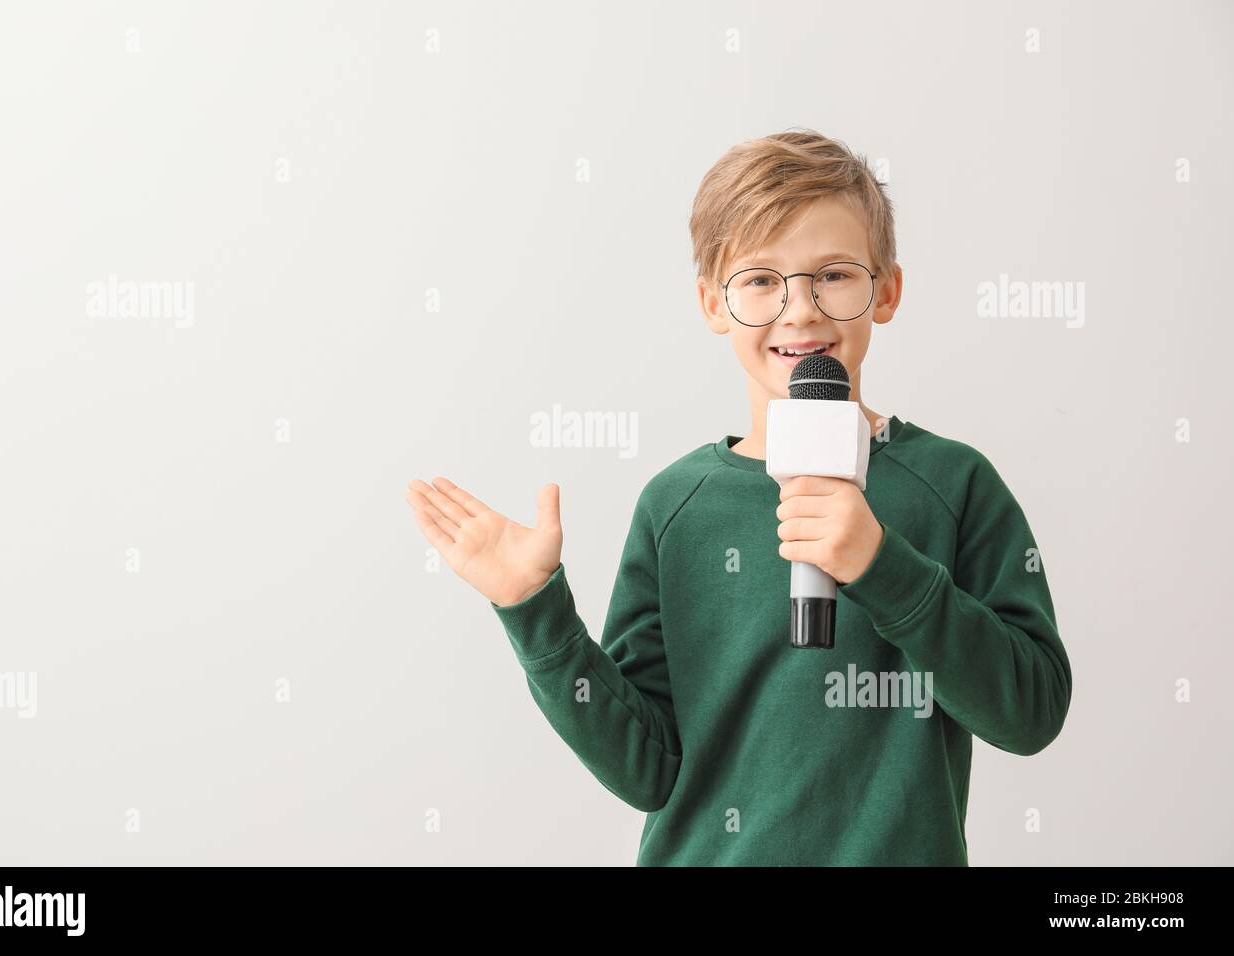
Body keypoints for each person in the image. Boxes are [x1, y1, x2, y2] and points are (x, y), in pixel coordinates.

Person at [405, 129, 1072, 865]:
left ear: (886, 290)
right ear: (712, 304)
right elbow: (647, 767)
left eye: (834, 276)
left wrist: (884, 566)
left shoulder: (954, 485)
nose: (800, 311)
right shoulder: (677, 505)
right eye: (761, 281)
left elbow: (1030, 712)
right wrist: (536, 614)